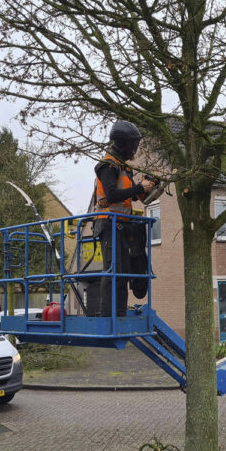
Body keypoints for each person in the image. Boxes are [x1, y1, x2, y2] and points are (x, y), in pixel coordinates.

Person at [89, 120, 156, 316]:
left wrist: (146, 189)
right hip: (107, 223)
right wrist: (138, 188)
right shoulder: (107, 166)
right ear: (122, 144)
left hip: (121, 225)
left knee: (124, 271)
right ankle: (109, 314)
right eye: (132, 145)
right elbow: (111, 195)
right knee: (114, 270)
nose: (134, 149)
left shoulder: (123, 168)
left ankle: (118, 311)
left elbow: (127, 194)